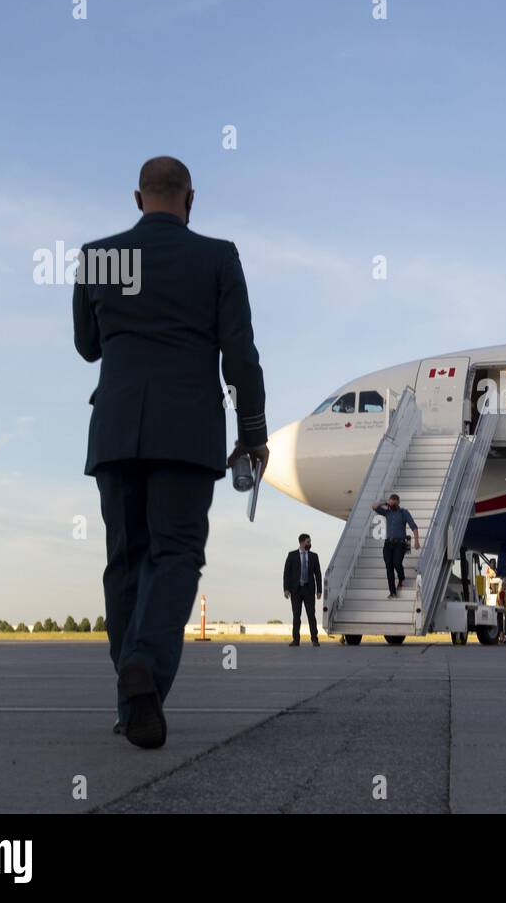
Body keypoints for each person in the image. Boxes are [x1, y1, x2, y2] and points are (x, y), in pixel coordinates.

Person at [74, 156, 268, 748]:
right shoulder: (218, 256)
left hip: (116, 429)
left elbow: (87, 348)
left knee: (125, 560)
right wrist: (253, 430)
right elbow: (240, 354)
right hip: (186, 431)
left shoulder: (99, 257)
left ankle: (132, 697)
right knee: (176, 555)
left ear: (138, 199)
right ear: (191, 199)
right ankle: (147, 673)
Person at [371, 494, 420, 597]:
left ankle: (401, 577)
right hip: (388, 544)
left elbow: (414, 526)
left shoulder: (403, 512)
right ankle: (392, 592)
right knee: (389, 566)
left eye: (394, 502)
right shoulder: (387, 512)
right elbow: (374, 506)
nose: (392, 504)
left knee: (397, 563)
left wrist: (416, 541)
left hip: (400, 543)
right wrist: (385, 503)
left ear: (398, 502)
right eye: (390, 502)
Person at [283, 534, 322, 646]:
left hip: (309, 590)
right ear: (302, 542)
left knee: (311, 615)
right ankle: (296, 640)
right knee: (296, 616)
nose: (310, 544)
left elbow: (317, 574)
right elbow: (286, 573)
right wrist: (286, 589)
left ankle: (314, 639)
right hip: (295, 591)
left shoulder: (314, 556)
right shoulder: (292, 555)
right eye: (308, 542)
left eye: (310, 542)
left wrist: (319, 590)